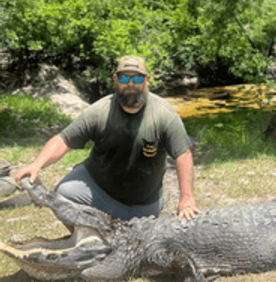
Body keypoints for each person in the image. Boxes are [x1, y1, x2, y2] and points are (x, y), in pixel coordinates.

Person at [15, 56, 198, 220]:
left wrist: (187, 197)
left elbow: (183, 154)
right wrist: (36, 164)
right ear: (115, 80)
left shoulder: (164, 115)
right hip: (99, 192)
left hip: (143, 205)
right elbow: (64, 140)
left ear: (147, 80)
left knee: (139, 245)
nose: (131, 84)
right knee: (64, 194)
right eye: (125, 78)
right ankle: (88, 238)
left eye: (137, 78)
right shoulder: (100, 111)